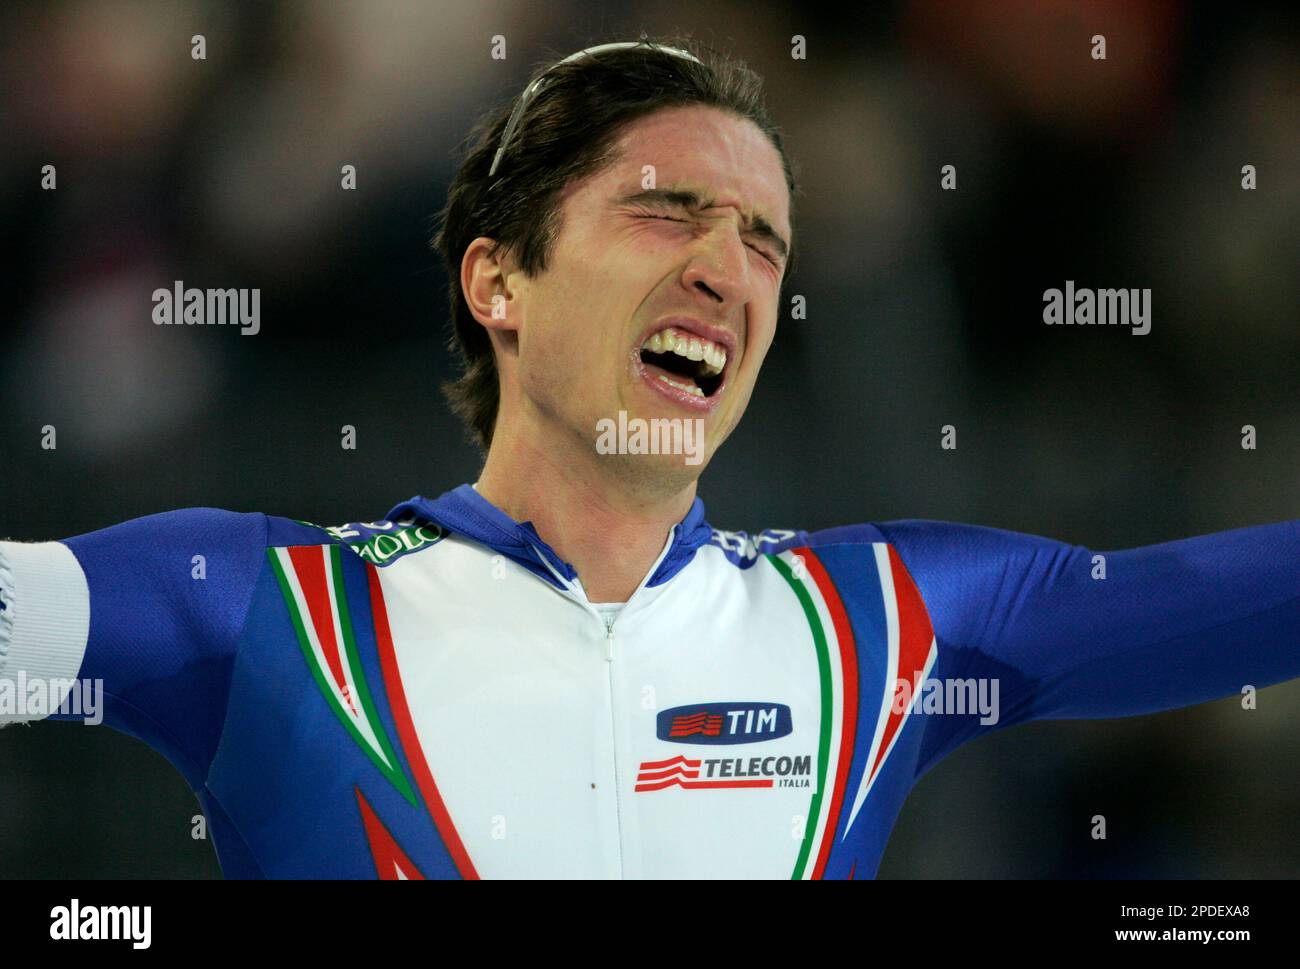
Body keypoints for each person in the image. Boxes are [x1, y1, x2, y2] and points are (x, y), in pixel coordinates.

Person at [1, 39, 1297, 880]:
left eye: (766, 240)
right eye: (665, 208)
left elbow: (1232, 601)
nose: (727, 268)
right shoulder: (266, 606)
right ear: (498, 281)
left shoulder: (886, 622)